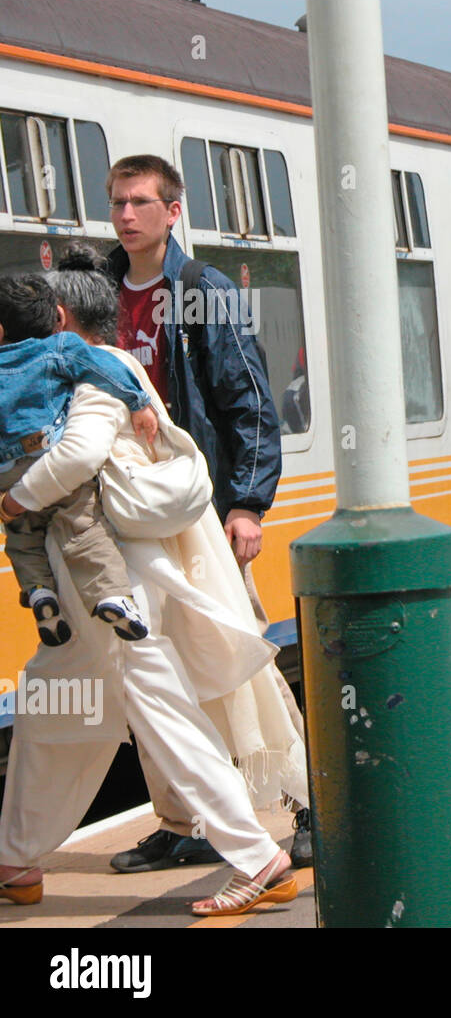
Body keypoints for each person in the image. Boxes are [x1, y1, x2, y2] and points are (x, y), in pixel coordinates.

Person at [0, 261, 302, 916]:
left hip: (115, 578)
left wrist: (15, 500)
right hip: (87, 576)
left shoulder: (90, 368)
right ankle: (15, 859)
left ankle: (259, 858)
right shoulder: (78, 365)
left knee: (162, 710)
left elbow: (79, 454)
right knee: (53, 704)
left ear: (60, 320)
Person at [100, 156, 308, 870]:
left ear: (172, 211)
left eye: (140, 202)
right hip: (123, 514)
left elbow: (249, 400)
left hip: (199, 510)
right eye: (118, 202)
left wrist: (248, 502)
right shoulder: (98, 291)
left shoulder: (200, 291)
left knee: (240, 656)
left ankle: (309, 804)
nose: (127, 215)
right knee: (148, 667)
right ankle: (182, 819)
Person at [0, 276, 156, 645]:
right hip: (48, 454)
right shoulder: (61, 347)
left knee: (21, 537)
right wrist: (138, 401)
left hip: (6, 471)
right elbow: (106, 371)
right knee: (83, 528)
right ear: (57, 315)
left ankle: (39, 592)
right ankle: (112, 596)